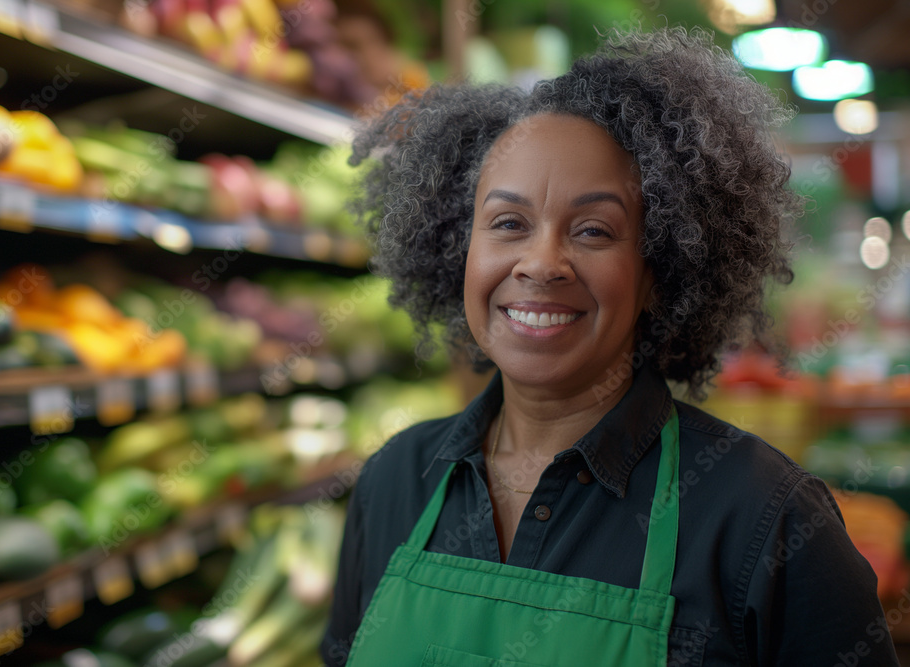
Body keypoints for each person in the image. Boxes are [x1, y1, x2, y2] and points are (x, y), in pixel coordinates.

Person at [320, 26, 899, 667]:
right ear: (461, 251)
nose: (542, 263)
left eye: (594, 230)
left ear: (658, 271)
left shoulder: (765, 518)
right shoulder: (393, 479)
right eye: (508, 224)